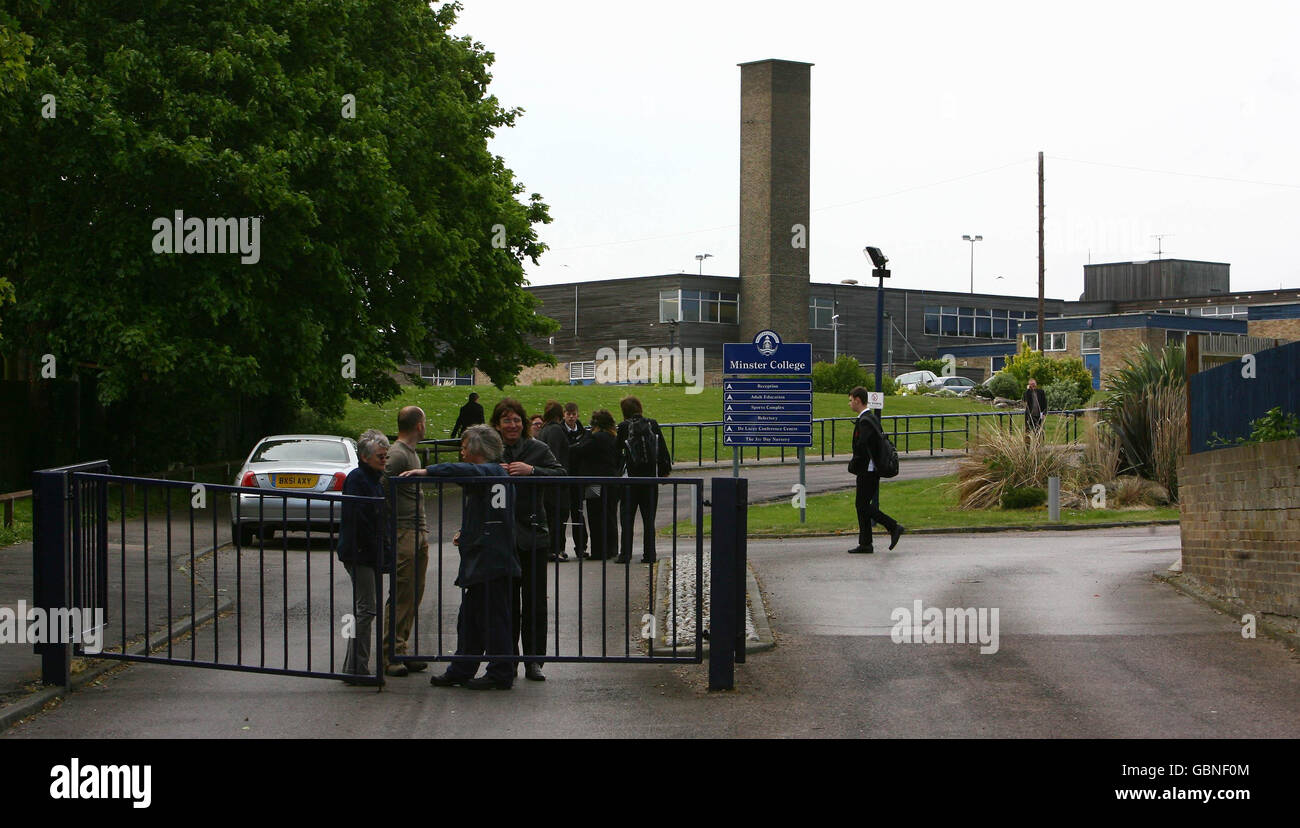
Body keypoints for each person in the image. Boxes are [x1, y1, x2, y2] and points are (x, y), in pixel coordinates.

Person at [401, 426, 521, 690]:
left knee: (492, 618)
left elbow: (468, 473)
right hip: (486, 557)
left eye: (464, 447)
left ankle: (499, 671)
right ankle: (463, 668)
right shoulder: (495, 473)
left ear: (478, 449)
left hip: (490, 559)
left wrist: (428, 471)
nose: (462, 453)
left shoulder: (490, 471)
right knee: (471, 618)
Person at [493, 398, 565, 682]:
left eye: (516, 420)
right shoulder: (490, 449)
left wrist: (532, 471)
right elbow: (467, 478)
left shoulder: (537, 448)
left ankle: (534, 660)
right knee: (506, 602)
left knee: (535, 602)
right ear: (497, 424)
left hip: (534, 533)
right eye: (506, 420)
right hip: (500, 536)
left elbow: (562, 474)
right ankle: (507, 658)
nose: (512, 425)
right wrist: (490, 472)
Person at [337, 429, 394, 682]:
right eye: (380, 456)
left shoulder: (373, 479)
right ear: (365, 456)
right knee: (366, 609)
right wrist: (377, 549)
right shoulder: (359, 479)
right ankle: (356, 669)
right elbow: (363, 520)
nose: (384, 460)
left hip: (367, 553)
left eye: (385, 456)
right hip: (360, 553)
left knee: (365, 609)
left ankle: (355, 667)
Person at [381, 406, 430, 676]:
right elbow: (382, 484)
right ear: (419, 425)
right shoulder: (398, 454)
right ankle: (392, 652)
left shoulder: (410, 453)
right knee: (402, 591)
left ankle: (401, 646)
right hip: (404, 531)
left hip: (416, 530)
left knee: (413, 591)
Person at [847, 387, 904, 555]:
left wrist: (854, 464)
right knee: (862, 506)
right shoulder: (870, 419)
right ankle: (865, 543)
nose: (850, 403)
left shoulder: (865, 421)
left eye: (851, 400)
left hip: (868, 470)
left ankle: (893, 526)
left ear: (858, 400)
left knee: (862, 505)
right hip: (870, 470)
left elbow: (862, 446)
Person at [615, 395, 670, 564]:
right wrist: (663, 471)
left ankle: (625, 554)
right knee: (649, 519)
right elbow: (661, 449)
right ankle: (649, 554)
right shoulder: (652, 424)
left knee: (627, 518)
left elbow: (617, 451)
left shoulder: (624, 426)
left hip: (630, 480)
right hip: (649, 479)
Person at [570, 409, 620, 560]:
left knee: (595, 515)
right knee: (610, 515)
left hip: (594, 483)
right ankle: (612, 549)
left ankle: (599, 551)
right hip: (612, 481)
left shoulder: (595, 437)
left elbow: (578, 450)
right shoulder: (613, 437)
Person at [535, 401, 573, 562]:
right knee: (559, 516)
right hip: (557, 481)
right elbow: (557, 456)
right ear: (559, 415)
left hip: (545, 480)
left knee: (550, 517)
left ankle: (552, 548)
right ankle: (556, 549)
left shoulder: (543, 431)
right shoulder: (557, 430)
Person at [560, 402, 589, 559]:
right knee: (563, 514)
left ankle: (581, 547)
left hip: (578, 477)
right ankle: (560, 548)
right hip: (564, 477)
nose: (571, 417)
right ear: (564, 415)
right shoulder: (560, 431)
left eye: (573, 414)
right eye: (568, 414)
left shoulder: (583, 432)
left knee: (578, 513)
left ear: (577, 415)